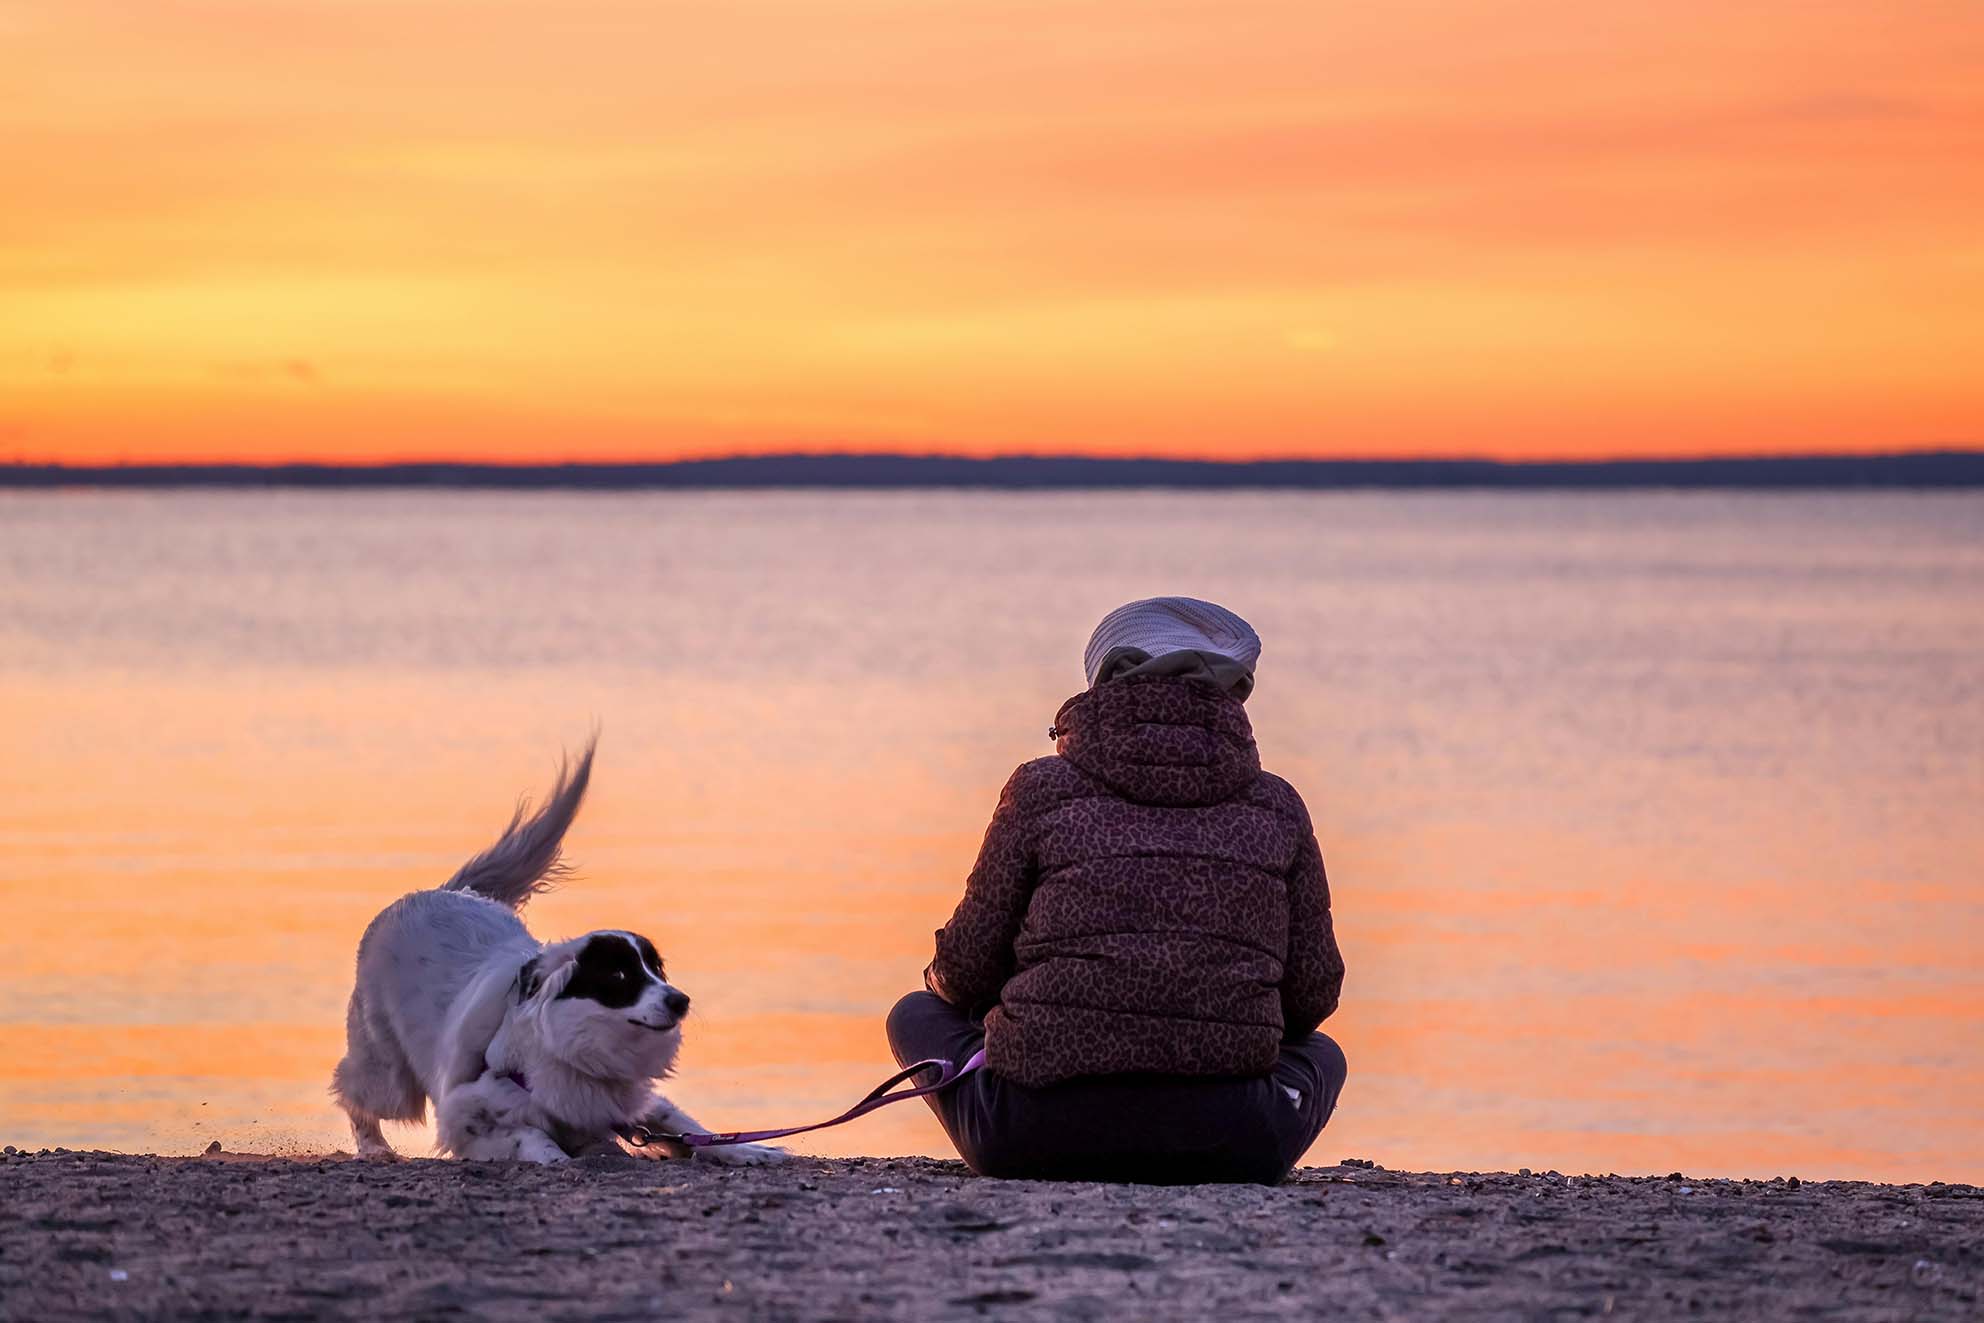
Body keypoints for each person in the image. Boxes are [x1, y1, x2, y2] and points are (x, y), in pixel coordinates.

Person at [888, 597, 1347, 1184]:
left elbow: (967, 970)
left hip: (1031, 1135)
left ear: (1101, 681)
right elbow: (1312, 998)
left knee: (915, 1012)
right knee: (1324, 1052)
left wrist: (999, 1004)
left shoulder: (1039, 789)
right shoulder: (1277, 804)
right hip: (1233, 1140)